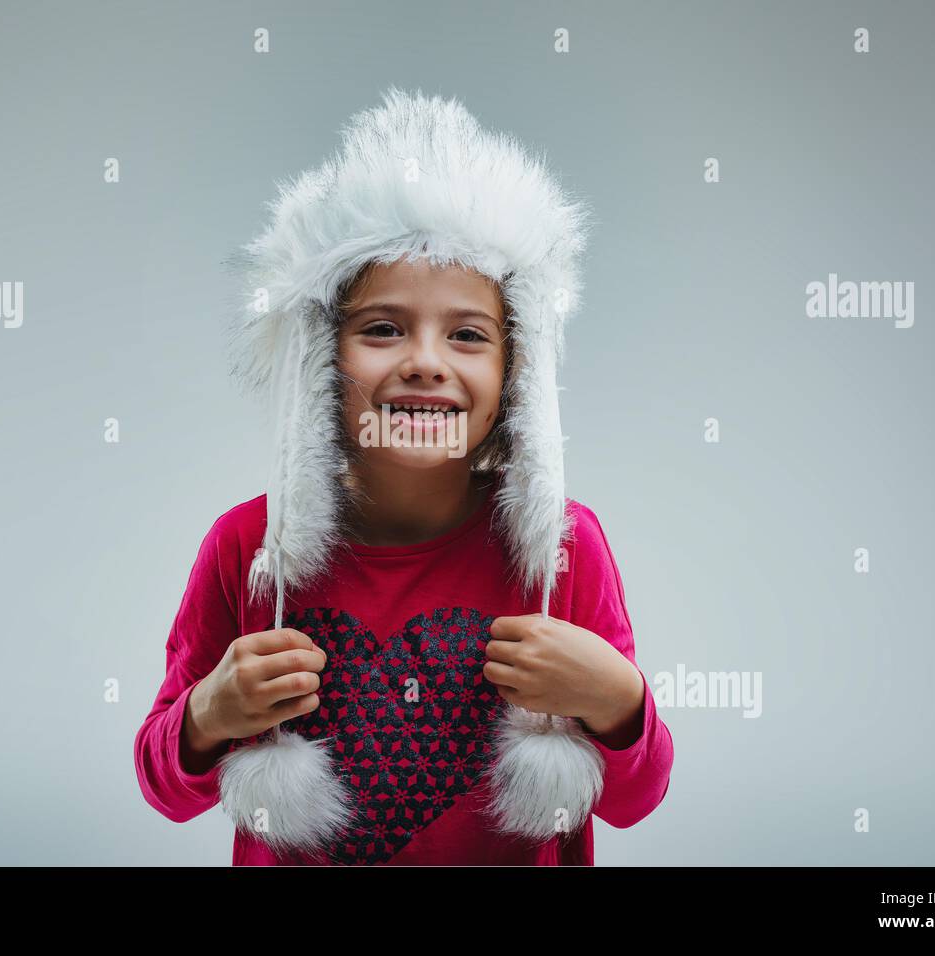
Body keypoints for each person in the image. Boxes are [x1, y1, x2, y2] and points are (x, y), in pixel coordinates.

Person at [133, 87, 673, 865]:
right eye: (382, 329)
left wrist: (616, 700)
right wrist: (208, 712)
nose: (425, 361)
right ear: (320, 360)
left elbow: (635, 798)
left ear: (516, 372)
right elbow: (165, 786)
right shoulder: (246, 547)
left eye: (467, 334)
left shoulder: (562, 551)